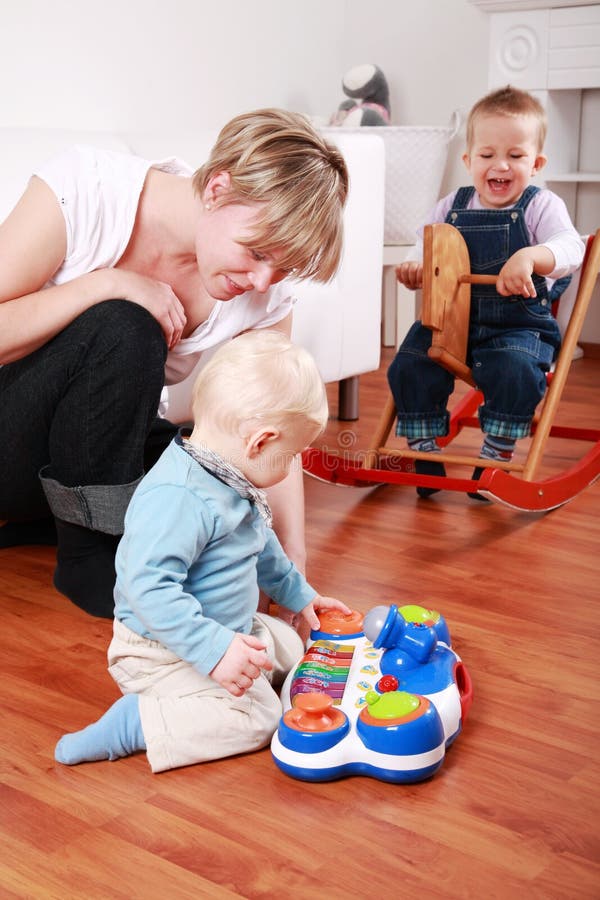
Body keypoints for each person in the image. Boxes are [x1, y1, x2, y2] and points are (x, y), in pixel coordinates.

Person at [0, 108, 348, 615]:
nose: (262, 281)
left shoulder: (263, 289)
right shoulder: (85, 188)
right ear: (217, 190)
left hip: (83, 459)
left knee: (203, 456)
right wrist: (107, 284)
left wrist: (293, 567)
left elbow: (276, 425)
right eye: (255, 252)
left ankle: (62, 522)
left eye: (285, 266)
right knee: (126, 324)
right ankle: (89, 557)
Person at [54, 330, 351, 772]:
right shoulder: (178, 496)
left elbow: (262, 547)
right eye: (292, 456)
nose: (293, 467)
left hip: (221, 626)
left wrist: (301, 596)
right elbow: (146, 588)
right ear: (260, 442)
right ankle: (137, 721)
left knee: (288, 642)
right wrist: (215, 651)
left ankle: (224, 677)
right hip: (161, 648)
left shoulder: (234, 478)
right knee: (257, 718)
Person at [388, 85, 585, 499]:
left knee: (515, 369)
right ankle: (424, 447)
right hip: (452, 320)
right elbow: (425, 241)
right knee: (408, 363)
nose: (501, 165)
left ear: (536, 163)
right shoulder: (451, 206)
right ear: (469, 160)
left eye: (515, 156)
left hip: (516, 327)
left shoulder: (540, 206)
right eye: (487, 154)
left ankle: (496, 451)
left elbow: (571, 247)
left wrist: (533, 256)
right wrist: (415, 264)